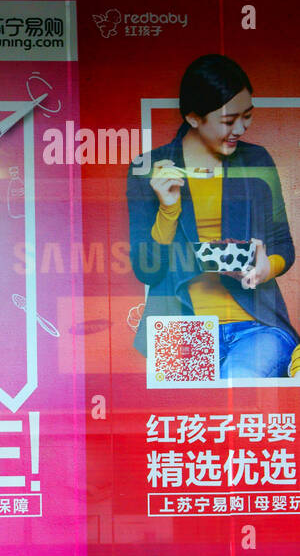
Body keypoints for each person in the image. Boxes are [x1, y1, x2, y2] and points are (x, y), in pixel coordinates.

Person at [127, 54, 298, 378]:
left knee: (239, 385)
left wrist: (266, 268)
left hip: (256, 324)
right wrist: (168, 208)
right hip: (180, 329)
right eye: (229, 119)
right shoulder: (150, 168)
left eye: (247, 116)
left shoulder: (256, 161)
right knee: (193, 412)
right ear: (193, 118)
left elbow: (282, 245)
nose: (241, 128)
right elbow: (146, 269)